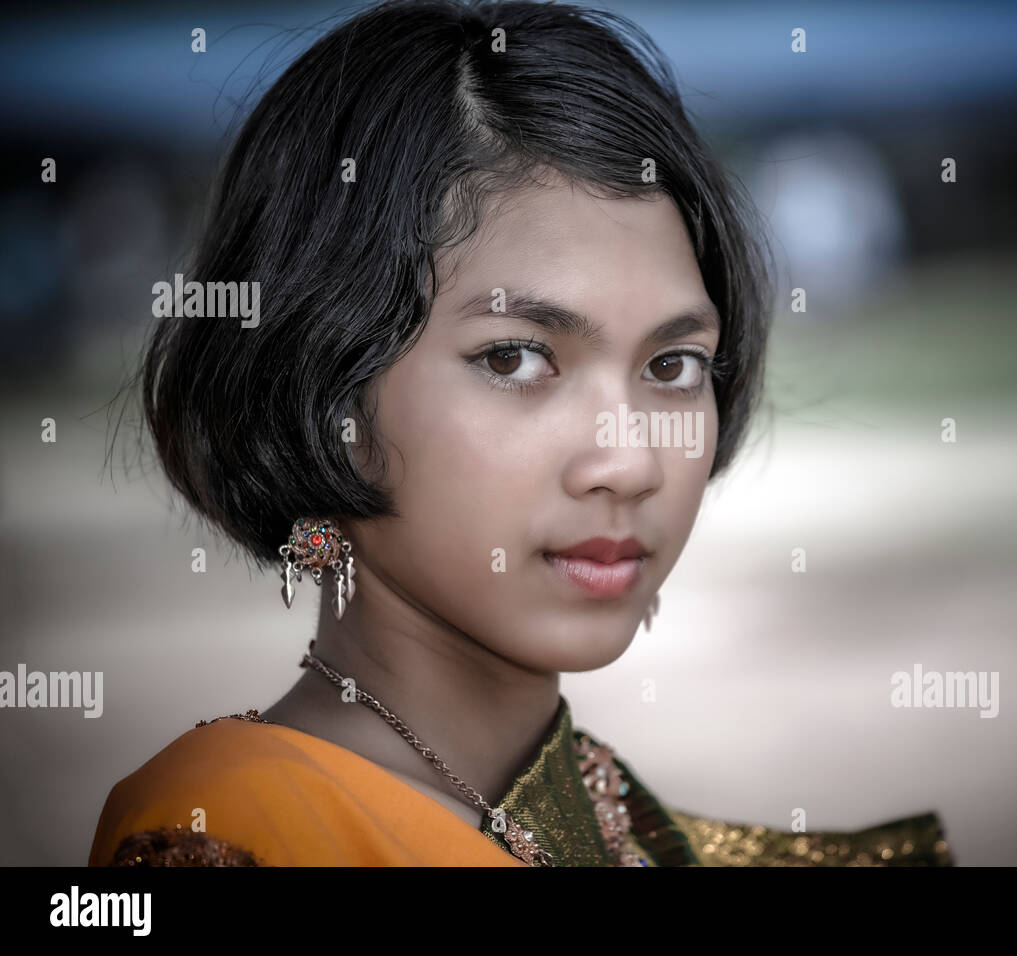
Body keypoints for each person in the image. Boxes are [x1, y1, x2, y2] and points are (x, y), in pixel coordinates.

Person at [89, 0, 953, 867]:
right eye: (515, 360)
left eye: (673, 366)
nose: (630, 462)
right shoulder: (229, 831)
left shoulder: (604, 826)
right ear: (319, 387)